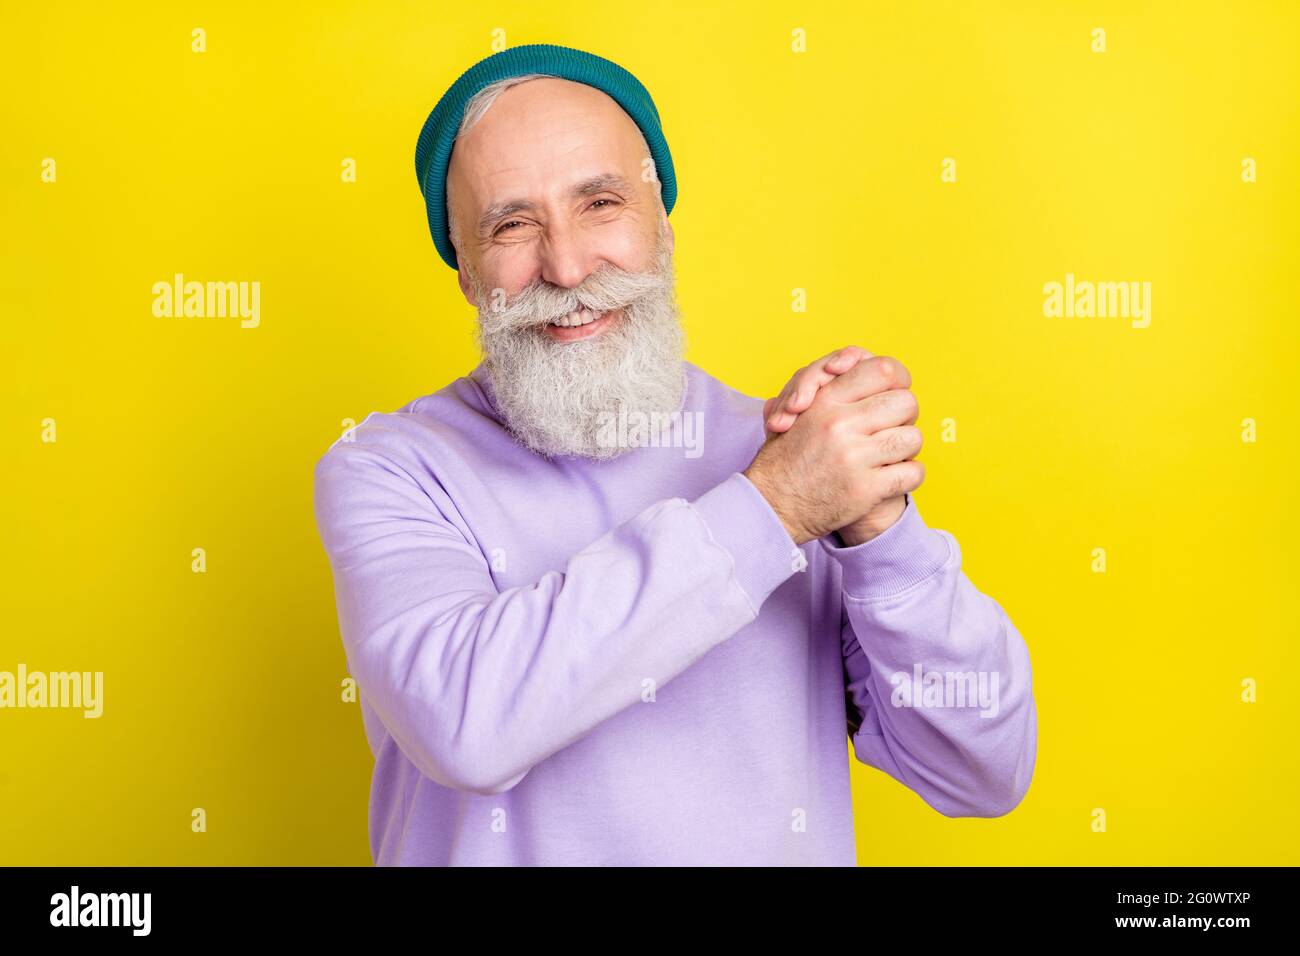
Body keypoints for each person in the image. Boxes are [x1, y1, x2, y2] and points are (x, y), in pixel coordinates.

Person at [312, 43, 1037, 866]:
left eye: (602, 203)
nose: (568, 264)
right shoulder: (391, 468)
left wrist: (879, 533)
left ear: (662, 224)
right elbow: (464, 724)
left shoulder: (785, 452)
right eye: (512, 225)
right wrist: (773, 511)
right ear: (468, 275)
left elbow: (983, 770)